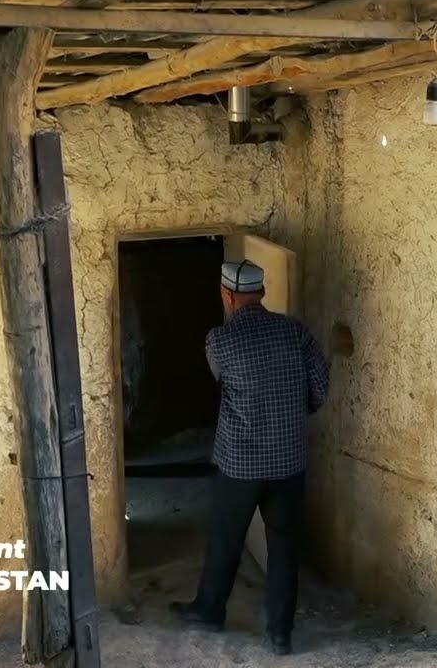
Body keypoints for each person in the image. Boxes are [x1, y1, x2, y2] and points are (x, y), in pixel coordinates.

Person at [170, 259, 329, 656]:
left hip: (239, 463)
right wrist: (292, 416)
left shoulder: (219, 341)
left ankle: (210, 610)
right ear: (262, 292)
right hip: (288, 463)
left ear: (227, 295)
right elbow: (320, 386)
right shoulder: (295, 332)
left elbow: (221, 381)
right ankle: (280, 633)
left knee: (226, 540)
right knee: (284, 547)